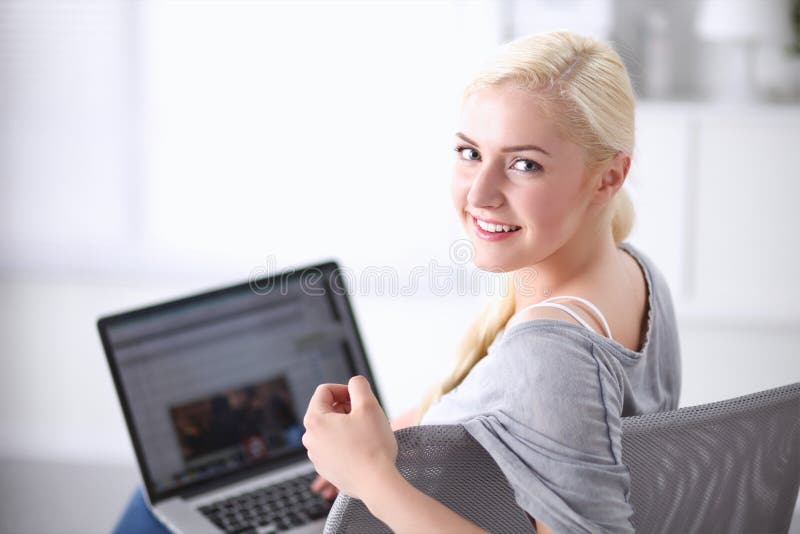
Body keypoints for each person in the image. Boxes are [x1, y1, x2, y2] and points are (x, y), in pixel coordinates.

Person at [302, 29, 681, 534]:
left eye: (525, 164)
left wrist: (370, 478)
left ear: (609, 177)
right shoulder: (633, 272)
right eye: (470, 153)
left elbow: (548, 382)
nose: (480, 194)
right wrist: (397, 436)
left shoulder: (550, 352)